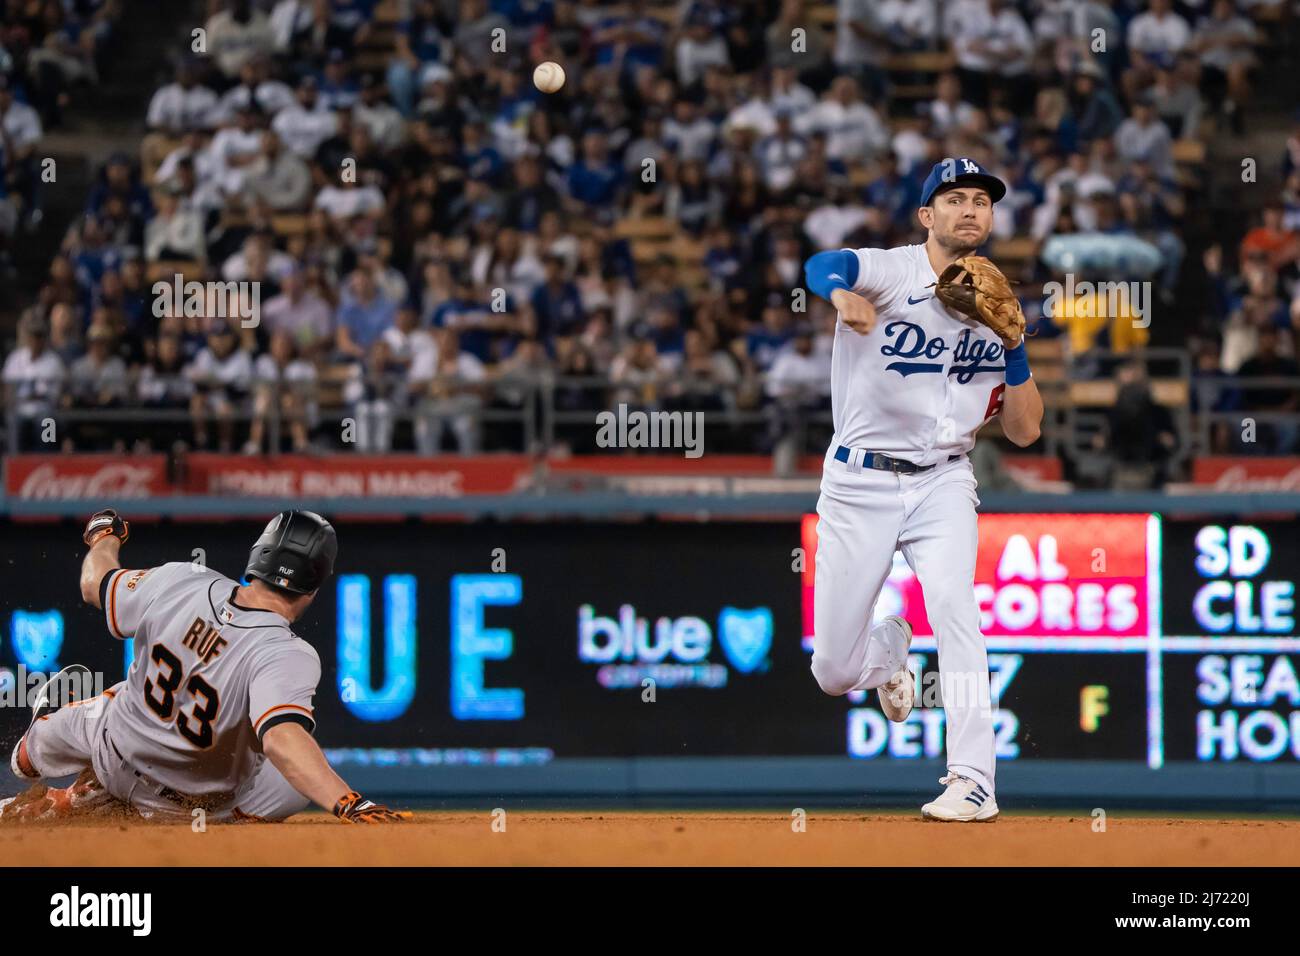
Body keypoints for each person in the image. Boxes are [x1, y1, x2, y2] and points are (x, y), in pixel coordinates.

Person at [803, 157, 1043, 822]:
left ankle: (972, 779)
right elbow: (823, 265)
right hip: (859, 480)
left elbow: (1025, 432)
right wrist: (841, 295)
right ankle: (890, 649)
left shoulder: (999, 301)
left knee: (957, 608)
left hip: (944, 478)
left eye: (981, 201)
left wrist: (1016, 346)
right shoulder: (893, 270)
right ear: (926, 215)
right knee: (833, 672)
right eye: (955, 198)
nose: (970, 209)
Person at [4, 510, 407, 824]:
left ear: (256, 556)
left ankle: (48, 745)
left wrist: (103, 536)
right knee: (292, 784)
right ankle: (112, 801)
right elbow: (282, 740)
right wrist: (348, 803)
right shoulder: (288, 652)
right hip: (189, 808)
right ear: (315, 586)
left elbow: (94, 584)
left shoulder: (181, 578)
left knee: (55, 739)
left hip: (114, 752)